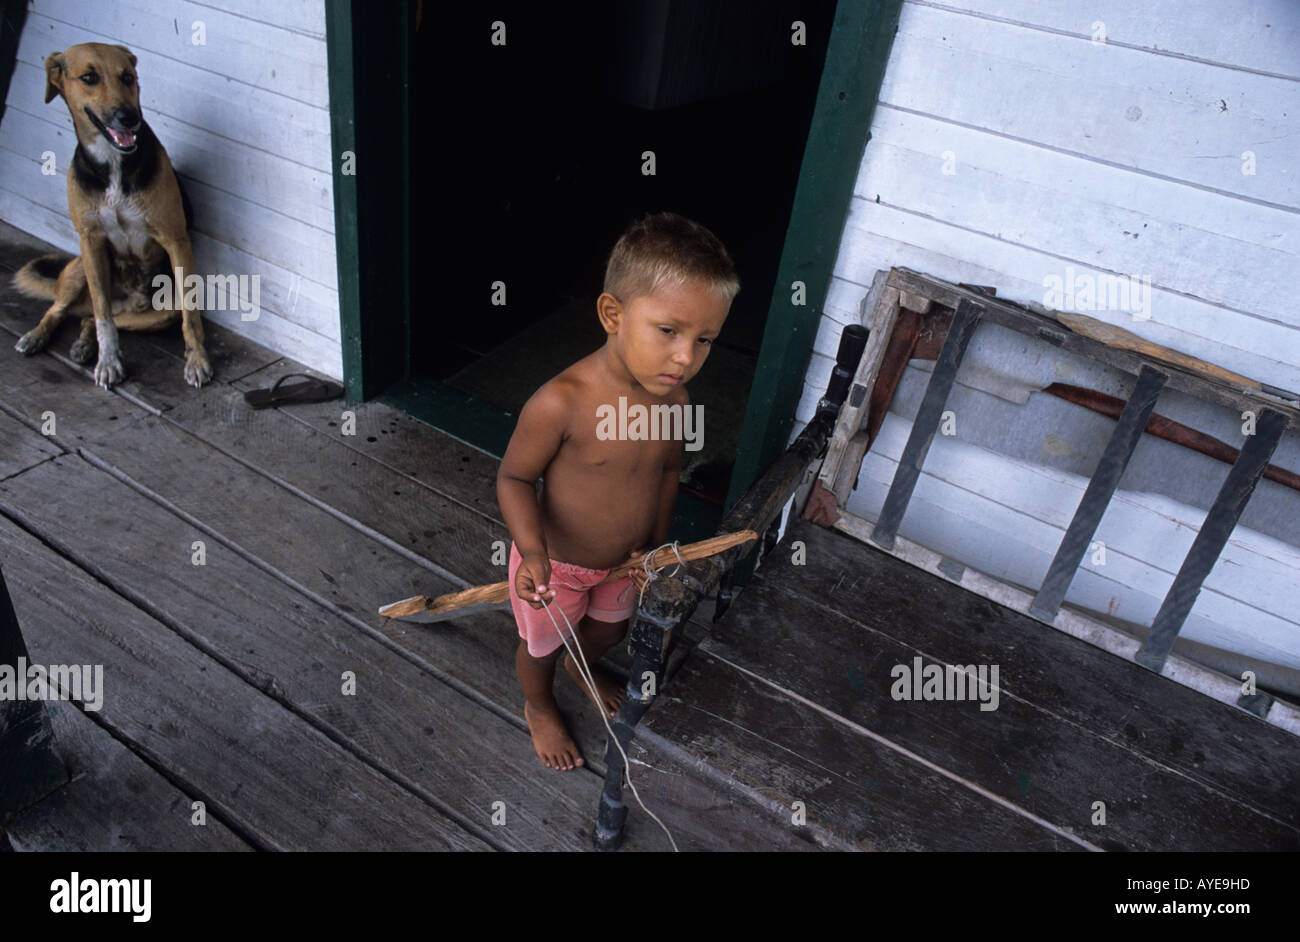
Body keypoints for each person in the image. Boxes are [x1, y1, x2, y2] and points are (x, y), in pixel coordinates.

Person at [496, 212, 738, 770]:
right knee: (542, 648)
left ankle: (586, 666)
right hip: (552, 567)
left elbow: (665, 474)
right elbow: (513, 477)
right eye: (669, 331)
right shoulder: (563, 401)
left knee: (611, 629)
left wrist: (653, 549)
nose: (686, 356)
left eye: (705, 340)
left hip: (626, 564)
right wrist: (532, 553)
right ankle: (538, 704)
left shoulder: (674, 403)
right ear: (613, 314)